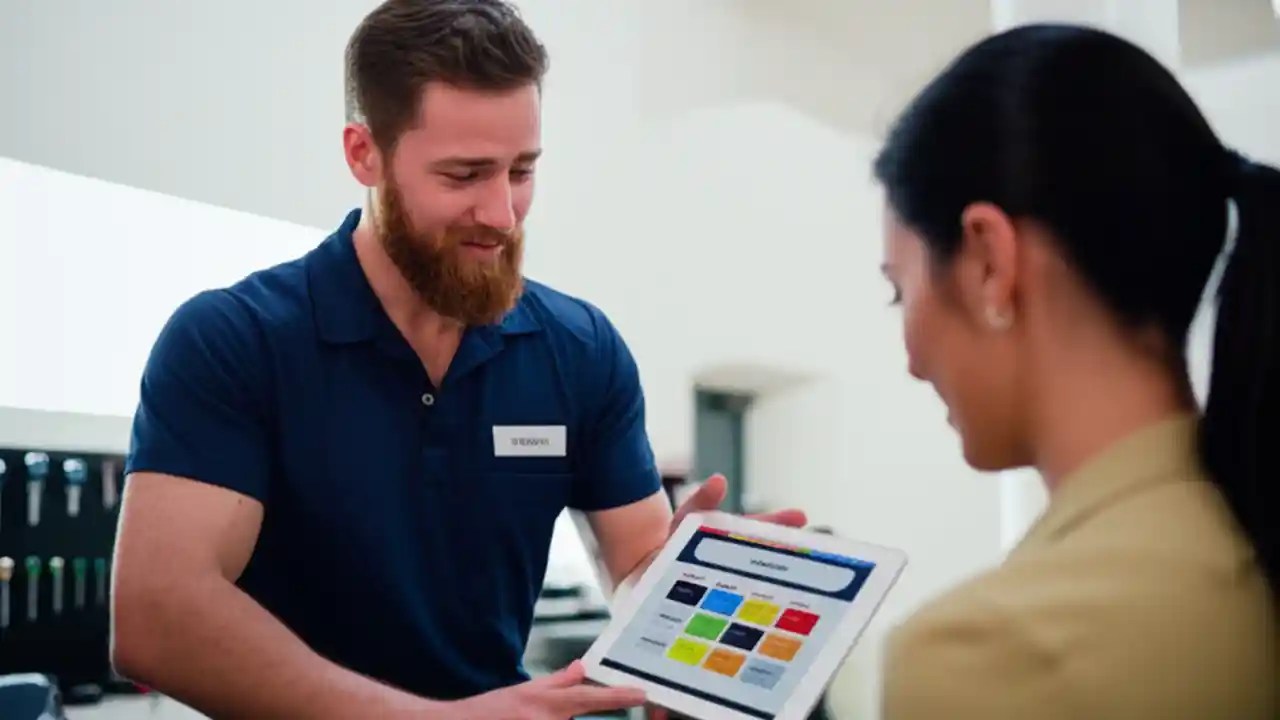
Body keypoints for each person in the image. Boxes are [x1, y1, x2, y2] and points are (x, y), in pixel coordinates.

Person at [108, 2, 804, 718]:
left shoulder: (581, 351)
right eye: (465, 175)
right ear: (364, 153)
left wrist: (691, 594)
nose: (502, 213)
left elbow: (636, 573)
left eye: (521, 171)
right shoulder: (233, 341)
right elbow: (157, 618)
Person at [873, 24, 1277, 719]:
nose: (911, 361)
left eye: (898, 291)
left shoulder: (981, 653)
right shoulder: (1249, 549)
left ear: (990, 263)